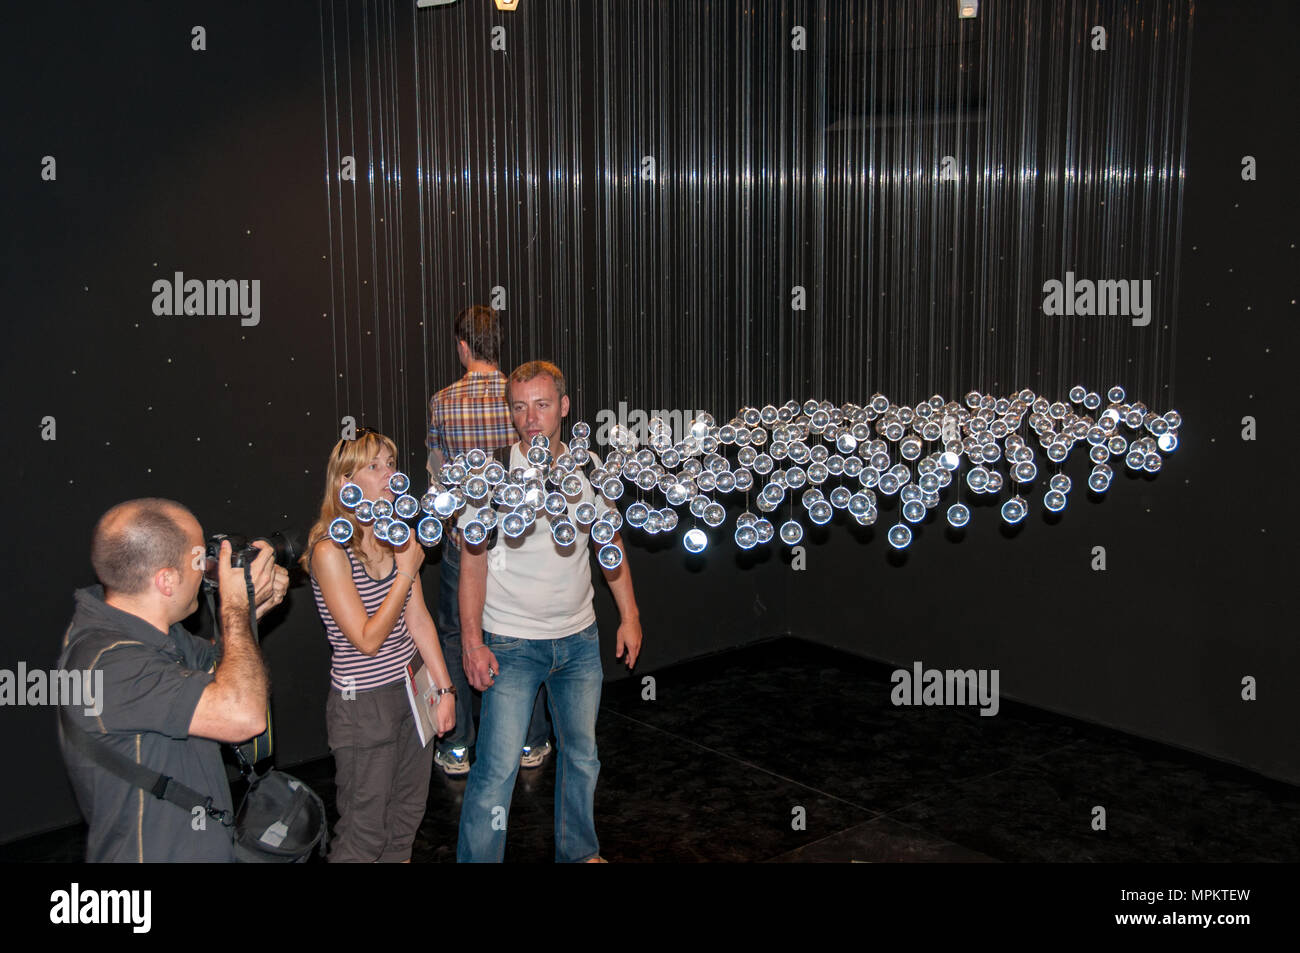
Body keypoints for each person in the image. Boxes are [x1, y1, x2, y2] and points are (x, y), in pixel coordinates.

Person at [456, 360, 644, 863]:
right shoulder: (491, 475)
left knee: (582, 757)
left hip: (579, 642)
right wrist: (472, 643)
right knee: (495, 769)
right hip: (512, 643)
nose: (530, 418)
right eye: (519, 407)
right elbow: (471, 568)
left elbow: (611, 545)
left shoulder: (588, 471)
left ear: (563, 407)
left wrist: (629, 615)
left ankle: (579, 852)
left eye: (541, 405)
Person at [58, 498, 289, 862]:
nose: (208, 569)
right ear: (166, 580)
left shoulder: (140, 629)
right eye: (200, 560)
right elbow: (243, 715)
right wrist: (235, 609)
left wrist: (249, 609)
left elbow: (222, 671)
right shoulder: (107, 666)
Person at [305, 428, 456, 863]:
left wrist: (444, 690)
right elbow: (367, 639)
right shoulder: (329, 549)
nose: (389, 473)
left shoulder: (395, 534)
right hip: (362, 705)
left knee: (405, 821)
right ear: (345, 483)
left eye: (390, 463)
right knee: (363, 835)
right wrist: (407, 572)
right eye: (375, 466)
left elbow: (419, 620)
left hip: (410, 693)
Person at [426, 304, 551, 777]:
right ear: (498, 345)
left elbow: (438, 476)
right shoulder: (519, 398)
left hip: (467, 540)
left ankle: (457, 745)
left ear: (462, 347)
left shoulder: (443, 401)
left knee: (461, 633)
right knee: (523, 634)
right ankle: (530, 741)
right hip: (520, 541)